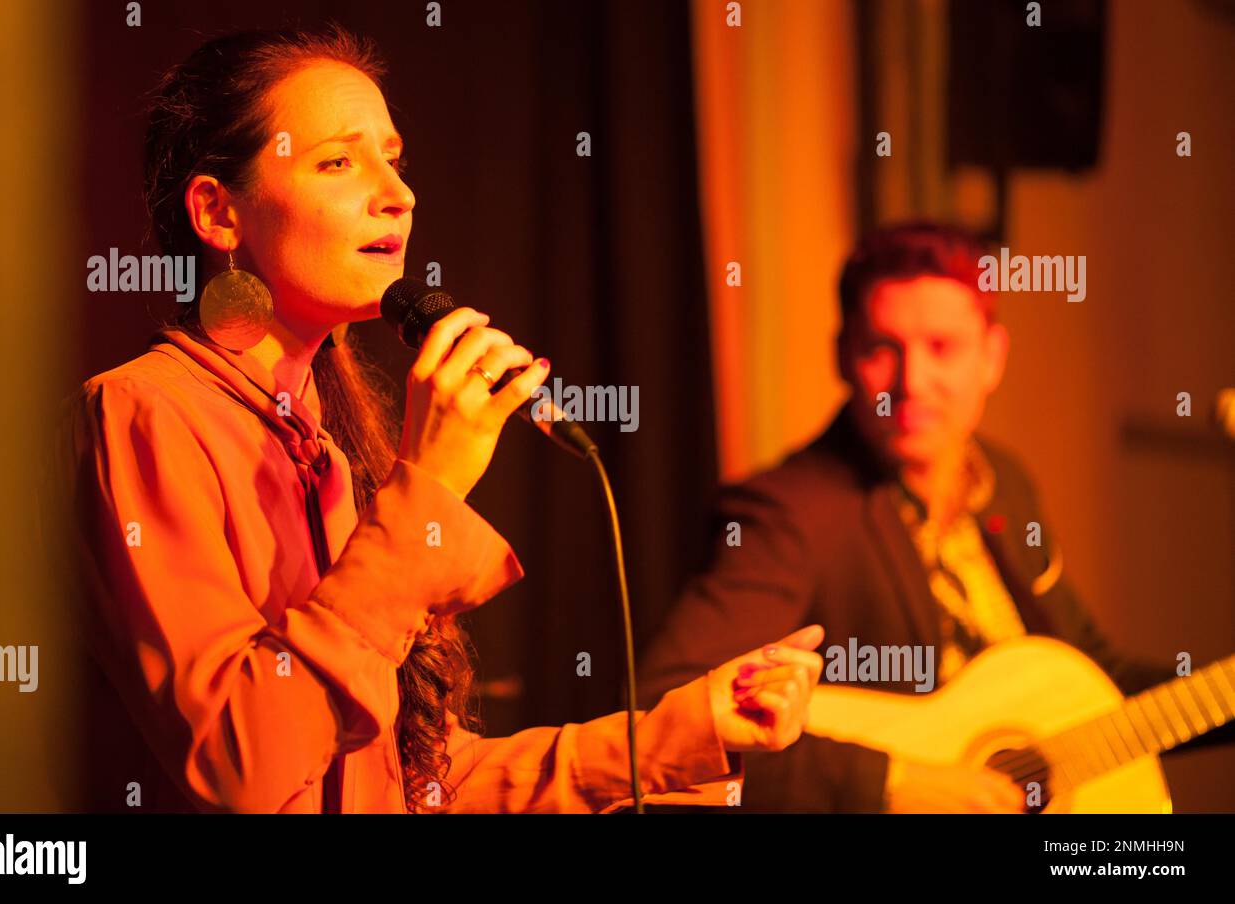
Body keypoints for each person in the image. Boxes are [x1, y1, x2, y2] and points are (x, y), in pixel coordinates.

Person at [62, 26, 824, 814]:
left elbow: (422, 785)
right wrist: (426, 488)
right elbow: (239, 763)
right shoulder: (142, 416)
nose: (398, 191)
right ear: (219, 214)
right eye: (339, 161)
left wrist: (687, 728)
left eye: (394, 158)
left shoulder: (328, 445)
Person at [637, 222, 1229, 813]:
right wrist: (890, 784)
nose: (912, 383)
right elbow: (662, 712)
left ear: (993, 357)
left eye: (942, 347)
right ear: (842, 356)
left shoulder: (1004, 483)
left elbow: (1093, 680)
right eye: (880, 349)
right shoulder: (786, 513)